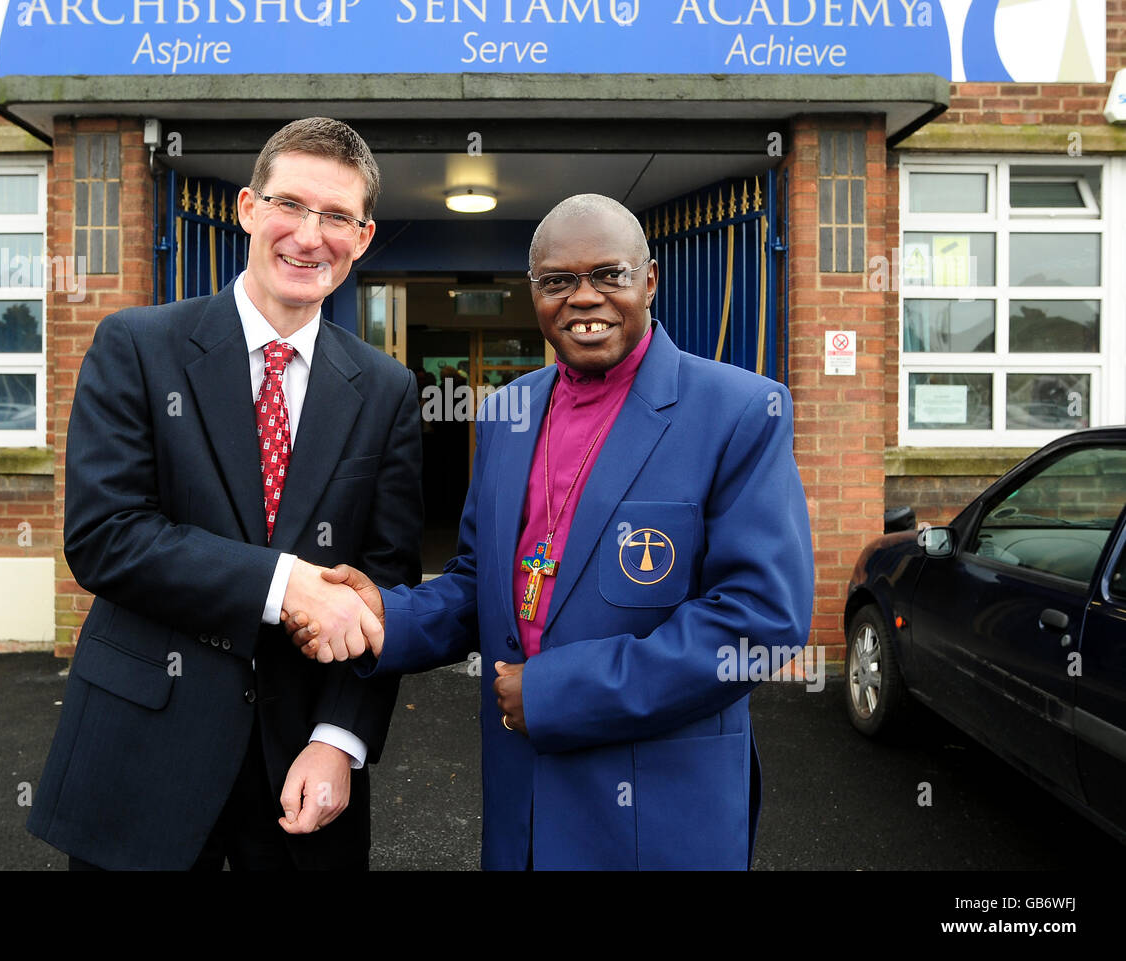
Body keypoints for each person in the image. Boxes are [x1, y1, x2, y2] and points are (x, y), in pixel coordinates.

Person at [288, 194, 814, 870]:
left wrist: (558, 690)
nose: (584, 298)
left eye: (609, 275)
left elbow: (760, 619)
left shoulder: (739, 411)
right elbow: (482, 581)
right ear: (533, 291)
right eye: (558, 281)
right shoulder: (507, 411)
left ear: (649, 280)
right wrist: (388, 616)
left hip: (659, 815)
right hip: (524, 809)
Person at [26, 117, 422, 870]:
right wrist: (286, 586)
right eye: (290, 205)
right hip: (144, 754)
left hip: (301, 773)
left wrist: (340, 739)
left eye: (337, 216)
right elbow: (107, 536)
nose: (310, 236)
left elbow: (387, 580)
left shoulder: (387, 388)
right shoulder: (136, 347)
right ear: (247, 208)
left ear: (363, 237)